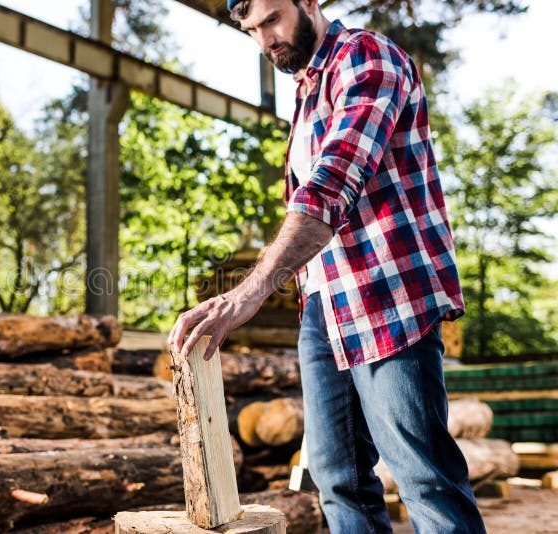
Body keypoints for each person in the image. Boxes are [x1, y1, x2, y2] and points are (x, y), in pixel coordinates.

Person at [167, 0, 486, 531]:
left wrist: (245, 294)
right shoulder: (307, 90)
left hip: (386, 294)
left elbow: (330, 186)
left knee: (424, 477)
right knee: (339, 484)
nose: (265, 41)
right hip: (323, 305)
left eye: (272, 20)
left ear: (310, 2)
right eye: (252, 30)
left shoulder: (365, 57)